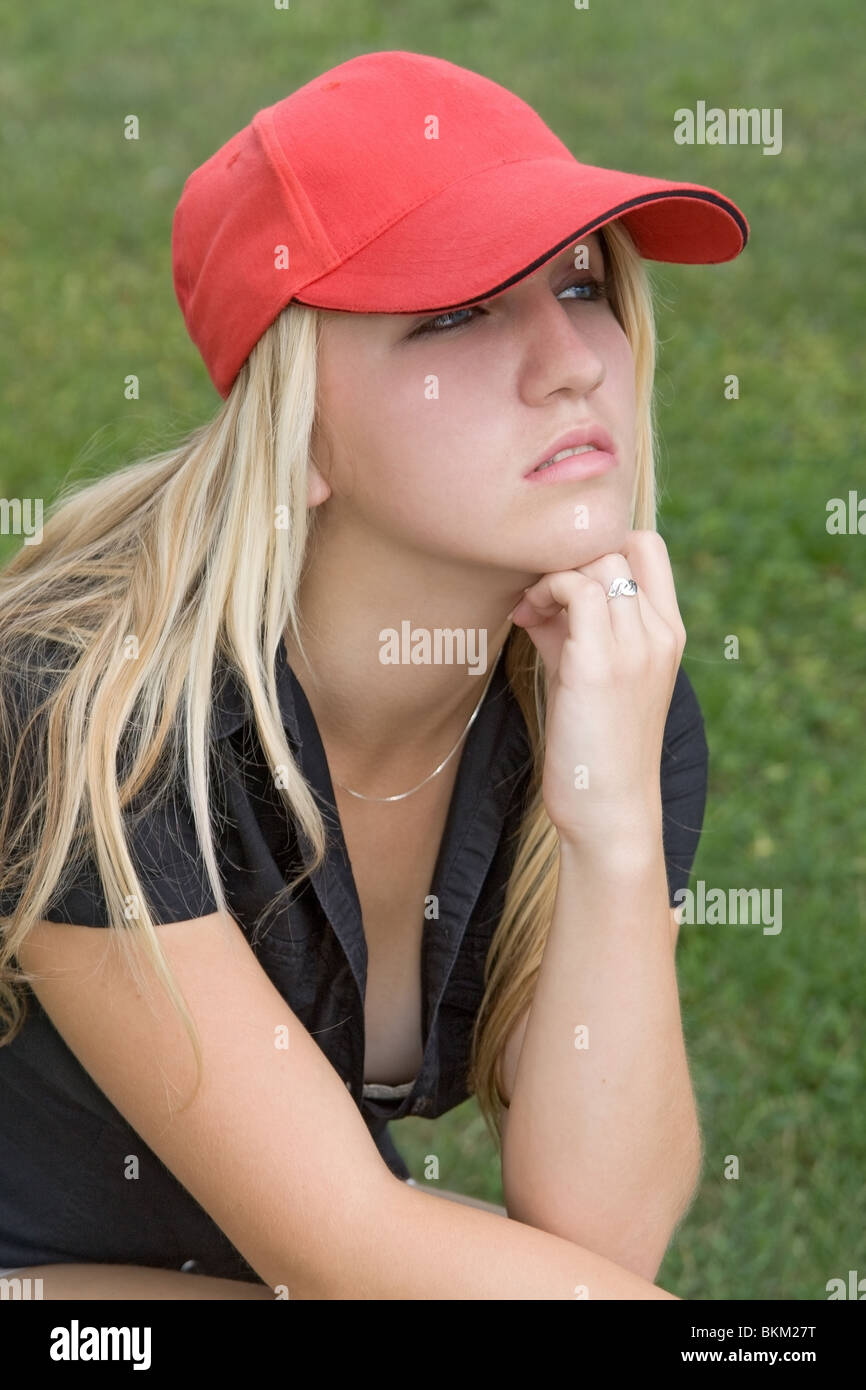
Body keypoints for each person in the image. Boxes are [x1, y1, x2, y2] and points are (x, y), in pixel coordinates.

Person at [0, 50, 748, 1300]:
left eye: (580, 286)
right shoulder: (89, 707)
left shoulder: (597, 683)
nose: (569, 360)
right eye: (456, 313)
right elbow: (342, 1248)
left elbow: (596, 1239)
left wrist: (614, 828)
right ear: (299, 434)